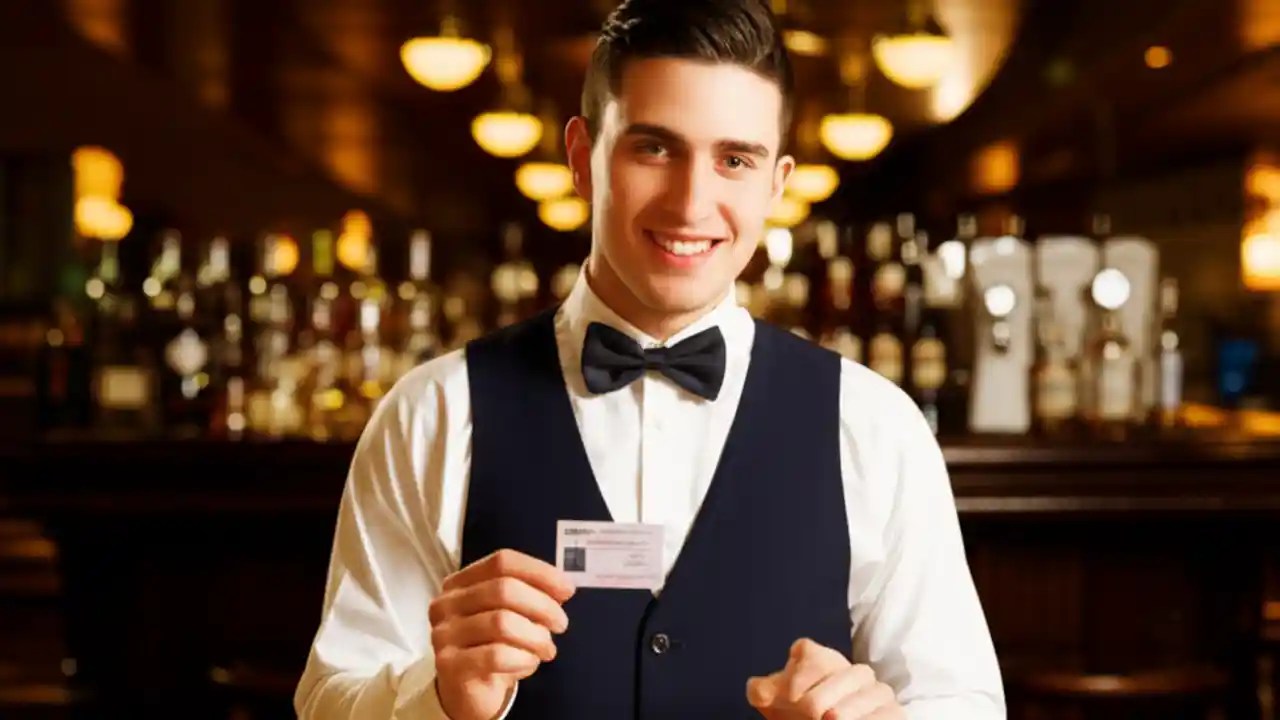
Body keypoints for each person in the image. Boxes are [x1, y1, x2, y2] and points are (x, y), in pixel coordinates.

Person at [293, 0, 1005, 717]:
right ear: (581, 158)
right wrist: (438, 698)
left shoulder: (876, 426)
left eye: (735, 159)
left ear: (776, 185)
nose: (692, 203)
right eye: (654, 148)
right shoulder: (435, 412)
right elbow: (329, 697)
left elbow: (961, 701)